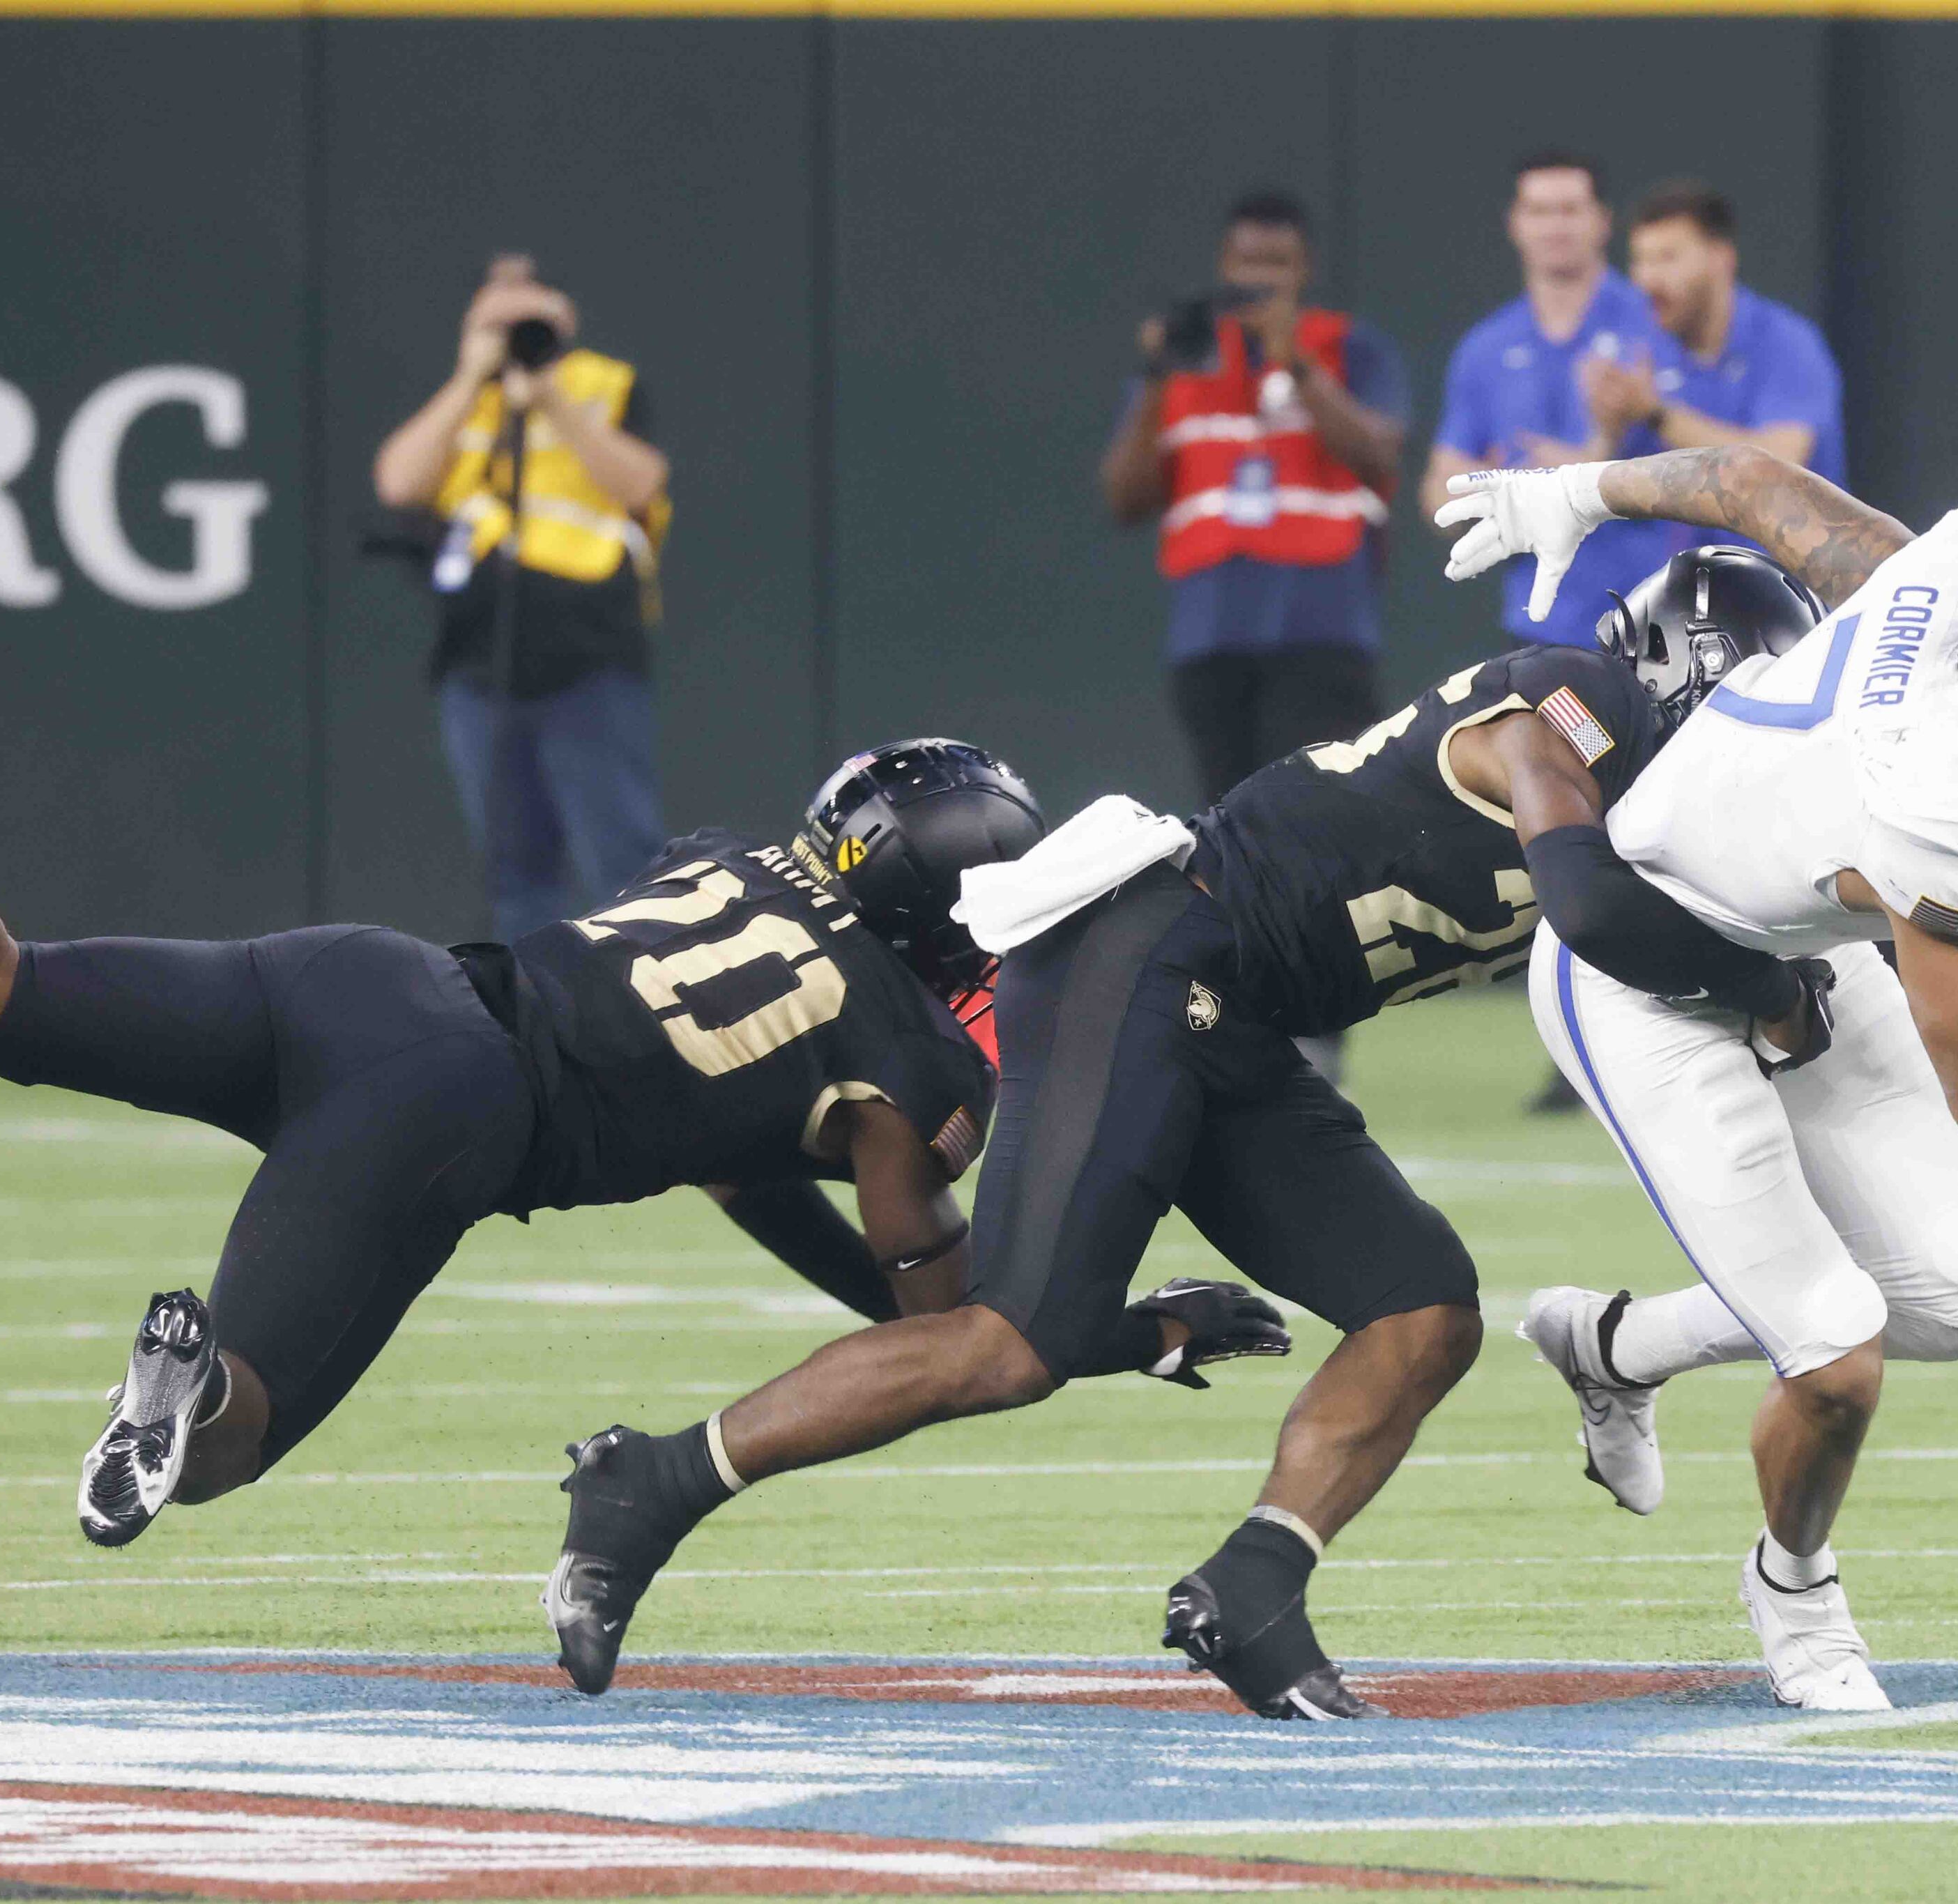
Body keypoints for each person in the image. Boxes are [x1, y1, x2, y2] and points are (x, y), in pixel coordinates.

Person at [536, 555, 1828, 1723]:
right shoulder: (1570, 704)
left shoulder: (1650, 807)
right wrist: (1770, 991)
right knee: (1009, 1344)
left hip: (1233, 1008)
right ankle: (652, 1482)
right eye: (1761, 702)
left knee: (1423, 1308)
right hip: (1149, 947)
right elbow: (1589, 906)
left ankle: (1253, 1588)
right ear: (1689, 670)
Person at [0, 719, 1290, 1546]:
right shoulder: (909, 1069)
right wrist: (1126, 1330)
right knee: (223, 1450)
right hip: (455, 1111)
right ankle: (185, 1387)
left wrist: (788, 1167)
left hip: (365, 977)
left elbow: (734, 1152)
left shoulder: (721, 862)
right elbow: (944, 1326)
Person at [1437, 444, 1958, 1709]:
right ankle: (1796, 1591)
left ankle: (1616, 1346)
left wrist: (1577, 491)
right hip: (1642, 975)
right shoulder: (1945, 819)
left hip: (1792, 950)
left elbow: (1758, 491)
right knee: (1836, 1354)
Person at [373, 254, 671, 940]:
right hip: (480, 662)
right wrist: (469, 375)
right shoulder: (468, 401)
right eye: (496, 317)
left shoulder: (603, 385)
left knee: (623, 860)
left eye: (528, 315)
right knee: (514, 869)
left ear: (563, 316)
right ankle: (531, 997)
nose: (513, 331)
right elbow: (399, 482)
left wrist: (550, 394)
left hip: (588, 655)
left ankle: (645, 984)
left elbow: (640, 482)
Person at [1098, 189, 1409, 807]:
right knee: (1228, 816)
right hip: (1211, 633)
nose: (1260, 281)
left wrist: (1296, 363)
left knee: (1326, 810)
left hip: (1321, 626)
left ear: (1304, 271)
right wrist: (1158, 374)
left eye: (1278, 265)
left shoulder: (1350, 347)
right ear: (1224, 265)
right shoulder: (1185, 359)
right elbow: (1124, 499)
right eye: (1248, 264)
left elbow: (1379, 456)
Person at [1418, 154, 1672, 650]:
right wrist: (1507, 489)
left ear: (1603, 221)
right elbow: (1439, 494)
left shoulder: (1656, 323)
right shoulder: (1485, 347)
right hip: (1537, 626)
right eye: (1539, 211)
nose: (1555, 227)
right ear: (1515, 223)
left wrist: (1590, 459)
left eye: (1570, 210)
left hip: (1656, 618)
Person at [1580, 181, 1846, 544]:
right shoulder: (1645, 349)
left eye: (1668, 258)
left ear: (1721, 258)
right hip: (1694, 576)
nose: (1648, 279)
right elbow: (1602, 486)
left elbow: (1781, 467)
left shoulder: (1788, 343)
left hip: (1791, 573)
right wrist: (1609, 430)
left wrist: (1656, 414)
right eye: (1641, 260)